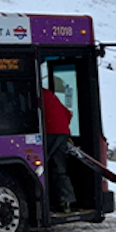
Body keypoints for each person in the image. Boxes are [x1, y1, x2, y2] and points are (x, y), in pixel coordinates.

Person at [42, 79, 76, 212]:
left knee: (41, 166)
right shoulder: (48, 94)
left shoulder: (32, 94)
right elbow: (68, 114)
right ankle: (66, 200)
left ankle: (46, 200)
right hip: (62, 132)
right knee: (59, 167)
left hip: (49, 131)